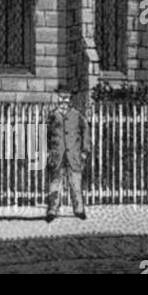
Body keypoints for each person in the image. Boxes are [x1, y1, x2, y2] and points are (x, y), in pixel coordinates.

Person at [45, 86, 90, 222]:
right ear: (57, 98)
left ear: (70, 99)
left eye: (66, 97)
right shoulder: (53, 115)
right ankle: (53, 209)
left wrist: (84, 151)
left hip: (73, 155)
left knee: (75, 183)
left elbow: (85, 132)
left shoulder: (77, 115)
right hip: (57, 155)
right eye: (61, 96)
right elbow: (47, 135)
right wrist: (48, 151)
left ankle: (79, 209)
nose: (63, 100)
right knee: (54, 184)